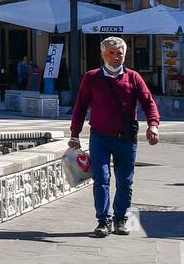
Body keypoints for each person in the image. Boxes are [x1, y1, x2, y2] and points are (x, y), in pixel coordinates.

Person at [69, 36, 161, 238]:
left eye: (119, 53)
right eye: (111, 53)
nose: (115, 57)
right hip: (100, 137)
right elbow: (80, 107)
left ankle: (121, 218)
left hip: (126, 138)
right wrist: (74, 134)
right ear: (103, 55)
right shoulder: (91, 77)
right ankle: (103, 221)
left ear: (125, 55)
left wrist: (153, 125)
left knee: (125, 181)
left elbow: (148, 102)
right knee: (101, 178)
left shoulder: (134, 77)